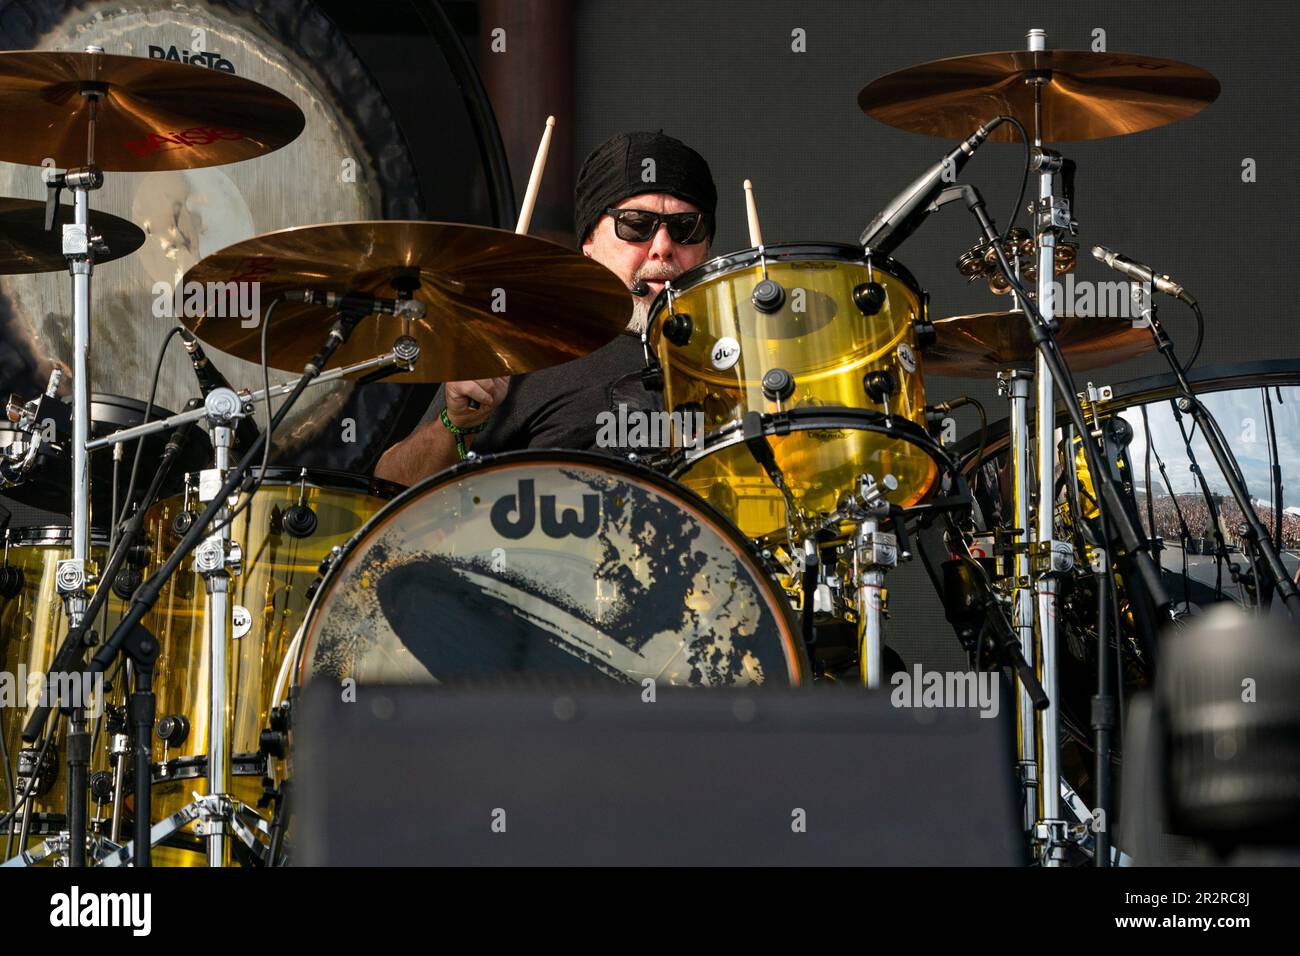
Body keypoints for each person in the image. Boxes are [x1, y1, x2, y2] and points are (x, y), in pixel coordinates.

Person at [374, 130, 717, 486]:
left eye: (685, 228)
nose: (662, 246)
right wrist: (456, 423)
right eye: (635, 225)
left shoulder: (740, 364)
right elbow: (390, 486)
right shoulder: (524, 348)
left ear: (706, 246)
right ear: (589, 242)